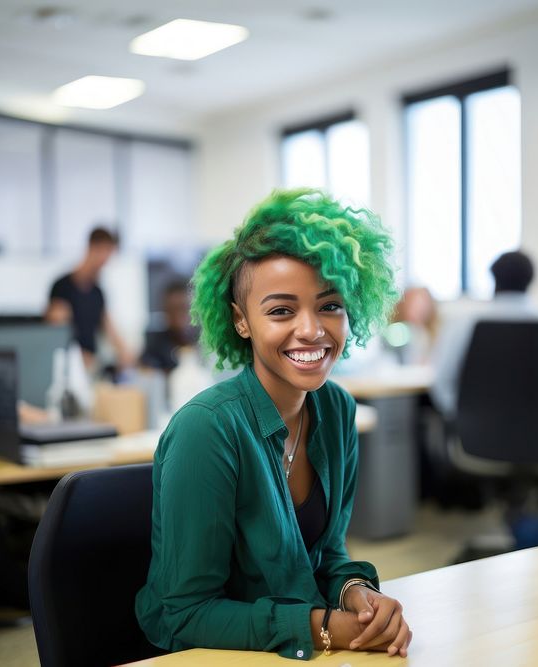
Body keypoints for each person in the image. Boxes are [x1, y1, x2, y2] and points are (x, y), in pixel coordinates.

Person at [136, 189, 413, 660]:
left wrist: (355, 593)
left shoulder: (337, 410)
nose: (311, 330)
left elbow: (327, 556)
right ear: (241, 321)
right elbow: (185, 613)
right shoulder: (207, 430)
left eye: (330, 306)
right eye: (281, 310)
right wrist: (326, 627)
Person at [429, 250, 538, 419]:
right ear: (531, 279)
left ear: (494, 278)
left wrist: (463, 416)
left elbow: (441, 382)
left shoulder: (463, 325)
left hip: (474, 432)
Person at [45, 227, 134, 373]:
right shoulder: (62, 287)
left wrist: (125, 352)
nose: (104, 263)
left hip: (91, 367)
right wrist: (77, 357)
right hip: (68, 369)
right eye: (104, 254)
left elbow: (109, 327)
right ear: (92, 248)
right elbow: (56, 332)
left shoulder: (97, 292)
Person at [139, 279, 200, 373]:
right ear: (165, 311)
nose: (178, 316)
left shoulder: (203, 340)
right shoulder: (155, 342)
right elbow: (146, 369)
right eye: (173, 310)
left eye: (183, 308)